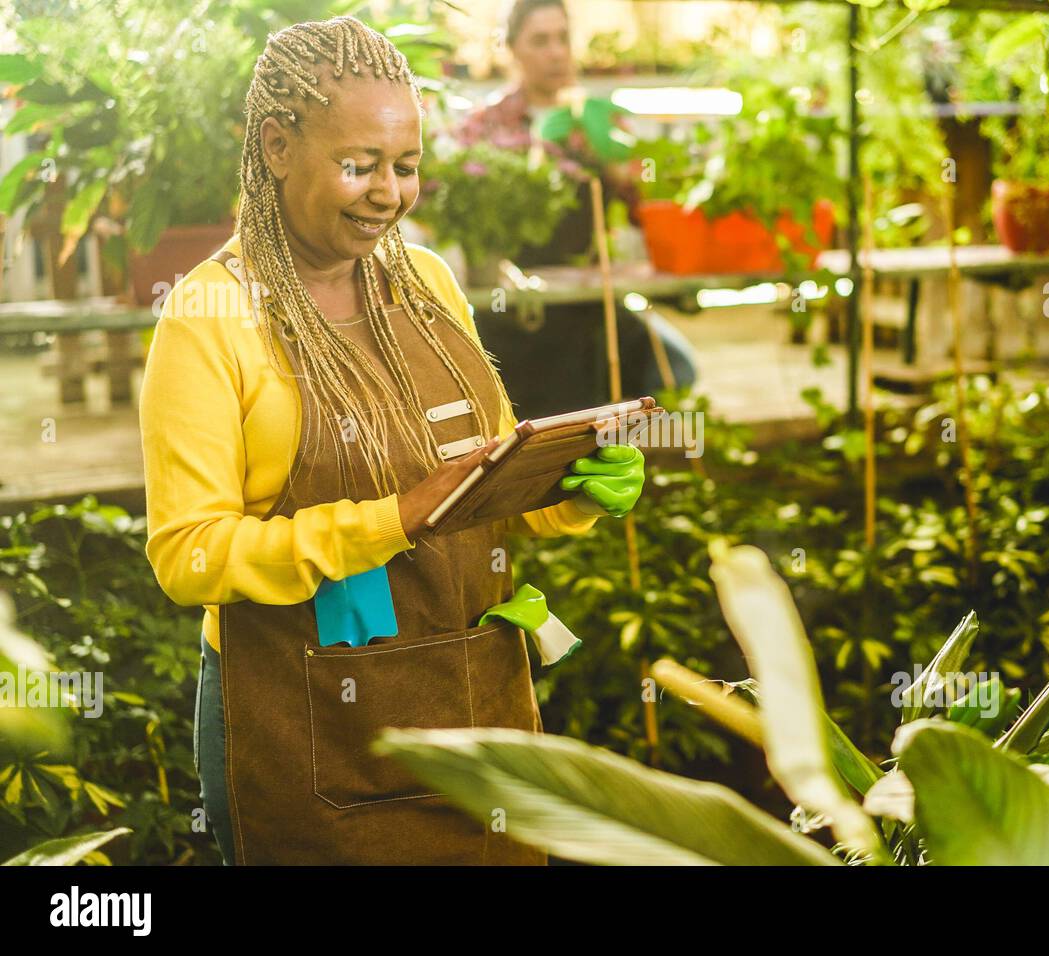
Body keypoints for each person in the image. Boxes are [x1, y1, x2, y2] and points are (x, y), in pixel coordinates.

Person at [139, 15, 645, 866]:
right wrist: (390, 519)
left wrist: (567, 490)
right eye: (358, 166)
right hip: (307, 733)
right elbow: (189, 556)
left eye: (405, 167)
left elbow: (481, 483)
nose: (390, 193)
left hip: (476, 702)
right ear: (274, 147)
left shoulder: (426, 280)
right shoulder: (208, 317)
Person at [452, 0, 697, 418]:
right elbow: (458, 221)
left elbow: (651, 210)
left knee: (674, 370)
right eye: (540, 40)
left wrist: (624, 167)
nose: (556, 52)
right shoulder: (486, 126)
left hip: (589, 298)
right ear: (512, 48)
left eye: (563, 38)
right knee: (540, 415)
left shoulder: (596, 121)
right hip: (516, 311)